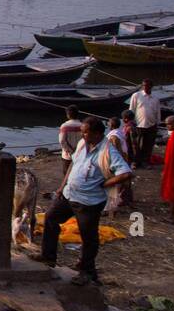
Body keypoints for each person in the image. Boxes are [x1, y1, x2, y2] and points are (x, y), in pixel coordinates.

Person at [33, 117, 131, 285]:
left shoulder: (108, 151)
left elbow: (126, 173)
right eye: (82, 132)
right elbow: (73, 164)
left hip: (89, 201)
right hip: (69, 194)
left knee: (88, 237)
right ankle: (48, 257)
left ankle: (87, 272)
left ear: (98, 133)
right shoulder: (81, 144)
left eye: (86, 132)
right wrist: (62, 186)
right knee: (50, 218)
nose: (83, 135)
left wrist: (105, 183)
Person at [127, 79, 162, 168]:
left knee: (148, 145)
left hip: (151, 124)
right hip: (138, 125)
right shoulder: (136, 95)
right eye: (144, 86)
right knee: (136, 145)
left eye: (147, 86)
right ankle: (135, 162)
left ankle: (145, 162)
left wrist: (157, 123)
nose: (145, 87)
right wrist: (130, 122)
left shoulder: (155, 98)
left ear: (151, 87)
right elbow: (131, 109)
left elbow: (158, 112)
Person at [58, 107, 84, 173]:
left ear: (68, 115)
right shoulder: (82, 126)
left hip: (67, 155)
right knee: (78, 171)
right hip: (80, 153)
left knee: (67, 172)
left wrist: (70, 151)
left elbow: (62, 140)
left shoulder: (64, 126)